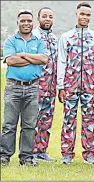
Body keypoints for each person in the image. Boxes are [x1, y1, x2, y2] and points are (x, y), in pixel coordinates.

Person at [56, 1, 94, 165]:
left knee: (90, 121)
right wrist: (60, 85)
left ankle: (90, 154)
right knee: (68, 119)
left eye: (88, 15)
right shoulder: (66, 37)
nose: (85, 17)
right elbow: (61, 61)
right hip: (70, 86)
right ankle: (67, 154)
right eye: (82, 14)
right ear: (76, 14)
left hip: (90, 87)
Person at [0, 10, 48, 167]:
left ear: (33, 23)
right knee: (9, 124)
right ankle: (4, 157)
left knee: (29, 125)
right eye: (23, 21)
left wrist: (23, 54)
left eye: (29, 21)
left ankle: (26, 158)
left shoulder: (39, 41)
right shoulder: (10, 41)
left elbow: (43, 59)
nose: (26, 23)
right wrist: (32, 59)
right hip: (13, 87)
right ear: (18, 23)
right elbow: (11, 61)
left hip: (32, 87)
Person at [32, 7, 58, 162]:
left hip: (51, 87)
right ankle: (30, 152)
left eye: (50, 16)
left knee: (46, 120)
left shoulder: (54, 38)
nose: (47, 19)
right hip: (36, 86)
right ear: (38, 18)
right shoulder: (33, 37)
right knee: (33, 120)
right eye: (44, 16)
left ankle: (42, 150)